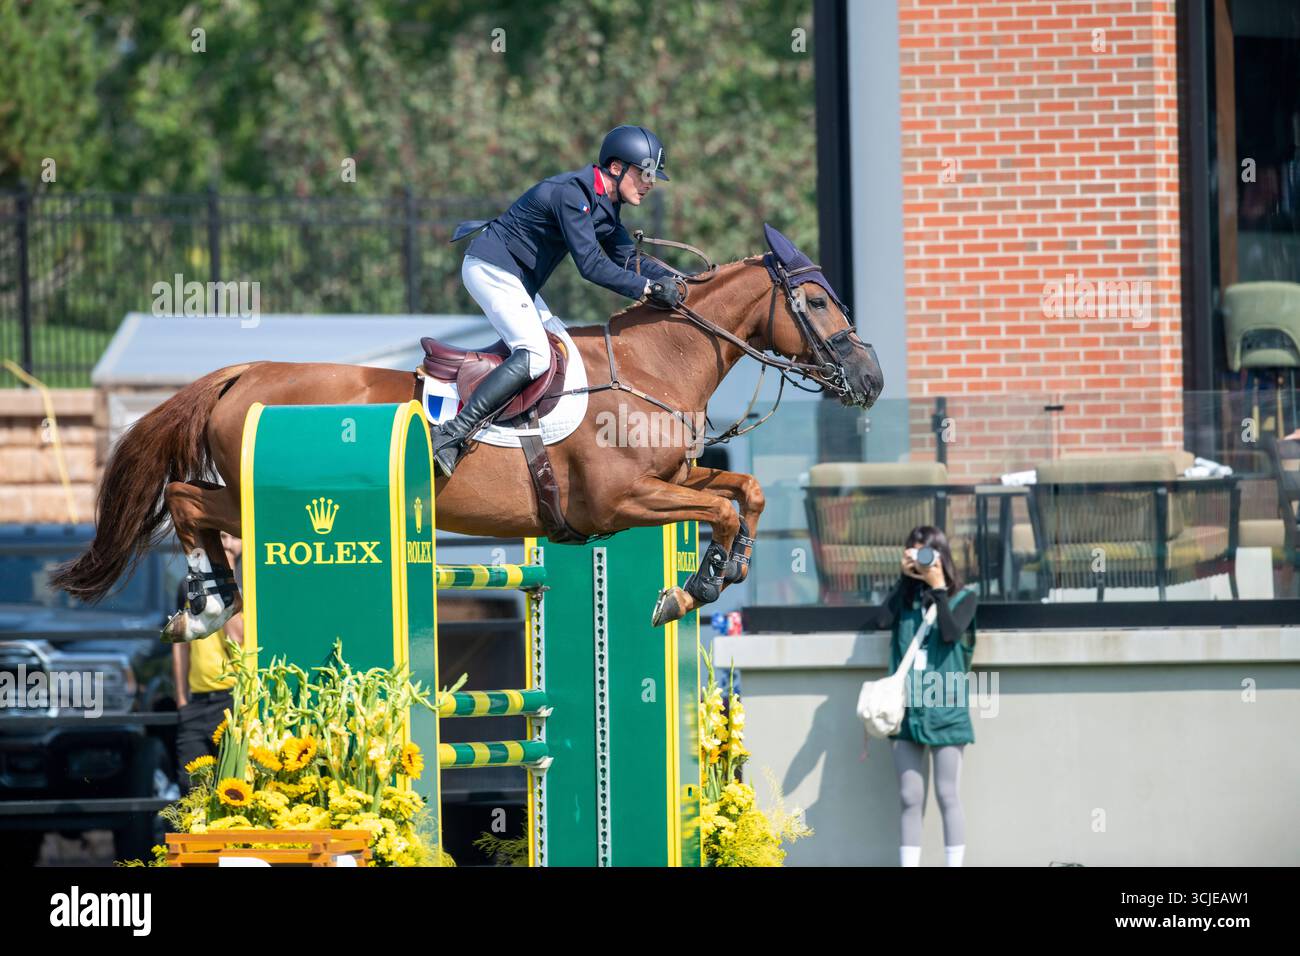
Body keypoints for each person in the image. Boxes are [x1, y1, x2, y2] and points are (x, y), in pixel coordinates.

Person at [435, 124, 683, 476]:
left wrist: (684, 282)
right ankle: (452, 433)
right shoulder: (573, 194)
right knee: (536, 355)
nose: (650, 182)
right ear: (616, 168)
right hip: (490, 268)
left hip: (516, 281)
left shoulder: (607, 207)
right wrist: (647, 290)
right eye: (645, 173)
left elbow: (629, 260)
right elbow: (592, 265)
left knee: (564, 350)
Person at [861, 526, 979, 867]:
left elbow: (950, 632)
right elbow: (882, 621)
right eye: (914, 552)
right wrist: (904, 579)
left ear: (941, 555)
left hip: (946, 708)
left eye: (926, 553)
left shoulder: (964, 597)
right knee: (909, 797)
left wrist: (938, 587)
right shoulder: (906, 600)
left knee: (947, 794)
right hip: (905, 710)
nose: (921, 560)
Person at [171, 532, 245, 793]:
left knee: (232, 787)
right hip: (197, 703)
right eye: (220, 536)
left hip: (234, 702)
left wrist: (226, 581)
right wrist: (181, 699)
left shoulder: (249, 585)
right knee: (191, 788)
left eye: (233, 537)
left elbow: (237, 638)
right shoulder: (189, 586)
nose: (225, 542)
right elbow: (181, 643)